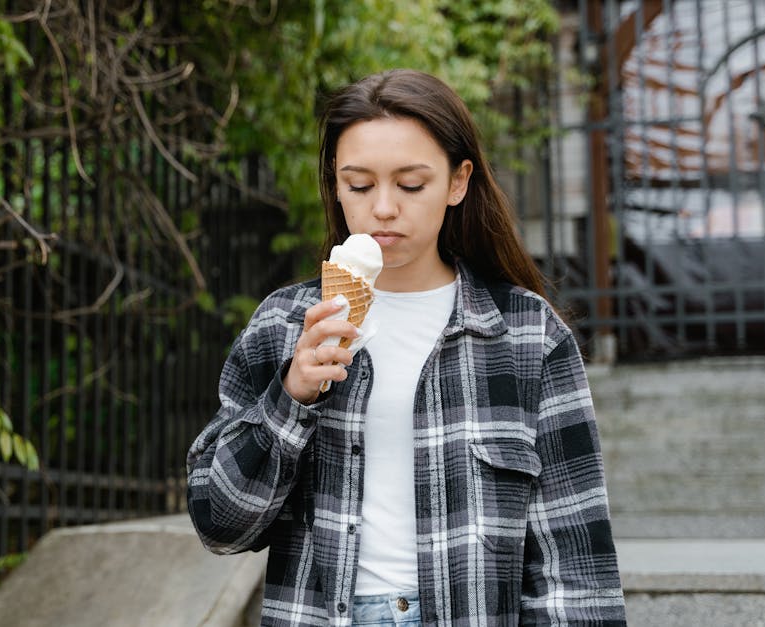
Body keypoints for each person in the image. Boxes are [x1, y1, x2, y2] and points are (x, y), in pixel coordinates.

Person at [186, 69, 625, 626]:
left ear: (458, 182)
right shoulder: (285, 324)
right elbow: (218, 523)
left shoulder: (527, 334)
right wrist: (291, 397)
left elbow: (575, 560)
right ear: (336, 185)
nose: (384, 208)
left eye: (411, 184)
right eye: (360, 185)